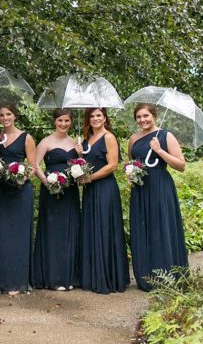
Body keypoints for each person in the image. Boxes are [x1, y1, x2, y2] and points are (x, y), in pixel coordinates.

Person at [128, 103, 188, 291]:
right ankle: (146, 277)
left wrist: (160, 150)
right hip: (140, 189)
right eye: (139, 117)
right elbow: (131, 162)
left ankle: (167, 276)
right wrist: (130, 173)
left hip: (160, 187)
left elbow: (181, 165)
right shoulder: (133, 139)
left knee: (161, 229)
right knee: (143, 229)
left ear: (154, 116)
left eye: (146, 116)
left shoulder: (166, 136)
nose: (142, 120)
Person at [75, 108, 129, 294]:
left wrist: (90, 178)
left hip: (105, 189)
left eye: (99, 115)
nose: (95, 118)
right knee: (92, 228)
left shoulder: (109, 137)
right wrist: (80, 155)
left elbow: (112, 165)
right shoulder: (86, 140)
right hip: (90, 191)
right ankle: (93, 277)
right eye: (92, 116)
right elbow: (85, 165)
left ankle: (108, 278)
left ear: (105, 118)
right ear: (88, 120)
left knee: (105, 228)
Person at [31, 108, 80, 291]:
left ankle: (68, 277)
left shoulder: (75, 143)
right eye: (60, 120)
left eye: (67, 121)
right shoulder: (46, 141)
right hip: (51, 192)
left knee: (69, 231)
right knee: (52, 231)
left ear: (71, 122)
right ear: (55, 122)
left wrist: (81, 155)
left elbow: (80, 166)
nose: (63, 124)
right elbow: (35, 165)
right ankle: (51, 277)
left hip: (70, 192)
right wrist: (47, 182)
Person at [0, 102, 37, 295]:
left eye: (8, 114)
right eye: (2, 115)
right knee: (2, 235)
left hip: (21, 191)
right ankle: (2, 280)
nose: (5, 118)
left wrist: (21, 178)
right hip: (1, 190)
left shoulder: (26, 138)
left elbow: (33, 167)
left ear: (15, 116)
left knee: (19, 236)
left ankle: (18, 281)